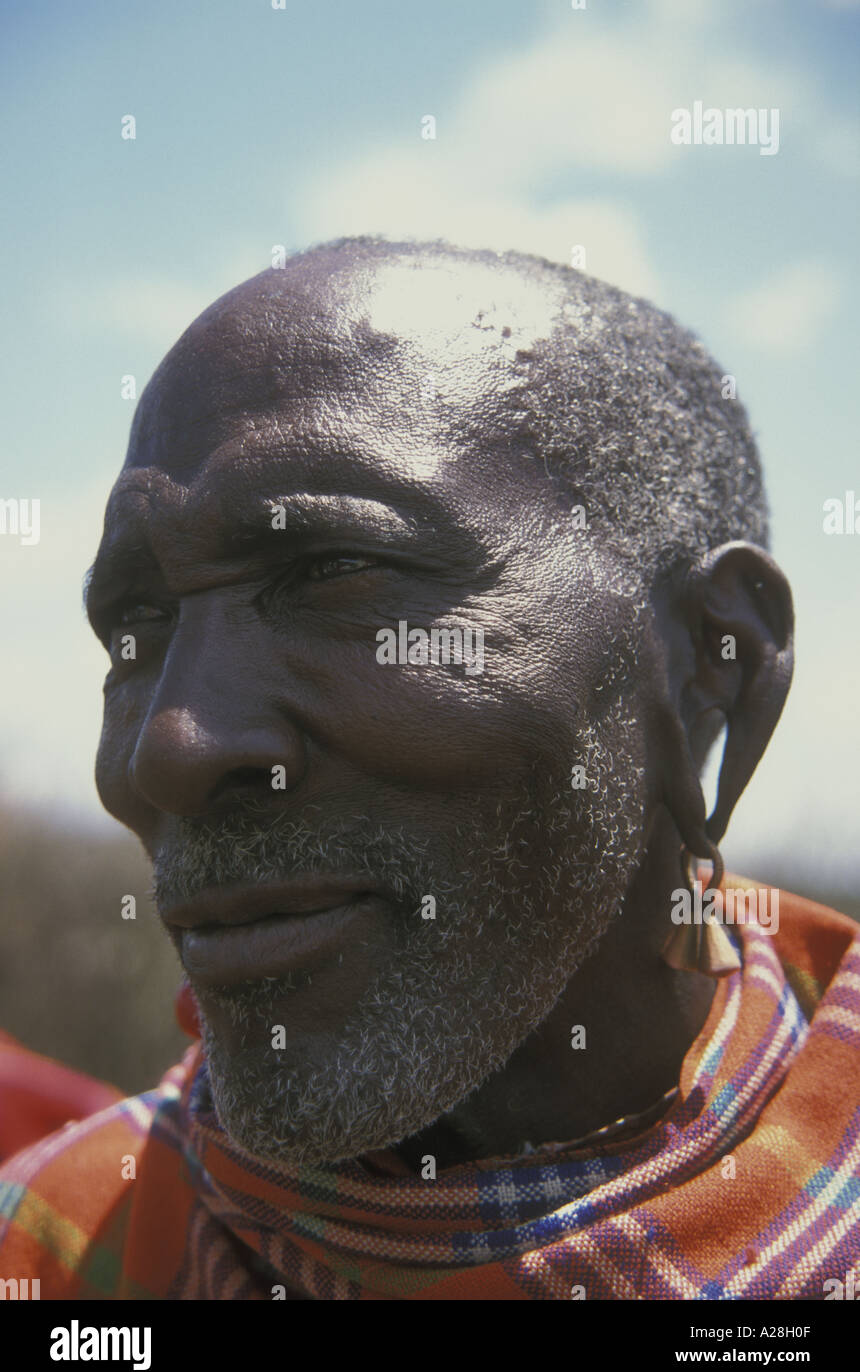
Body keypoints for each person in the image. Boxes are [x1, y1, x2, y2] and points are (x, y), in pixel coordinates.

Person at [1, 238, 857, 1300]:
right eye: (136, 624)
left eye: (333, 569)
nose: (169, 748)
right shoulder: (50, 1255)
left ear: (707, 664)